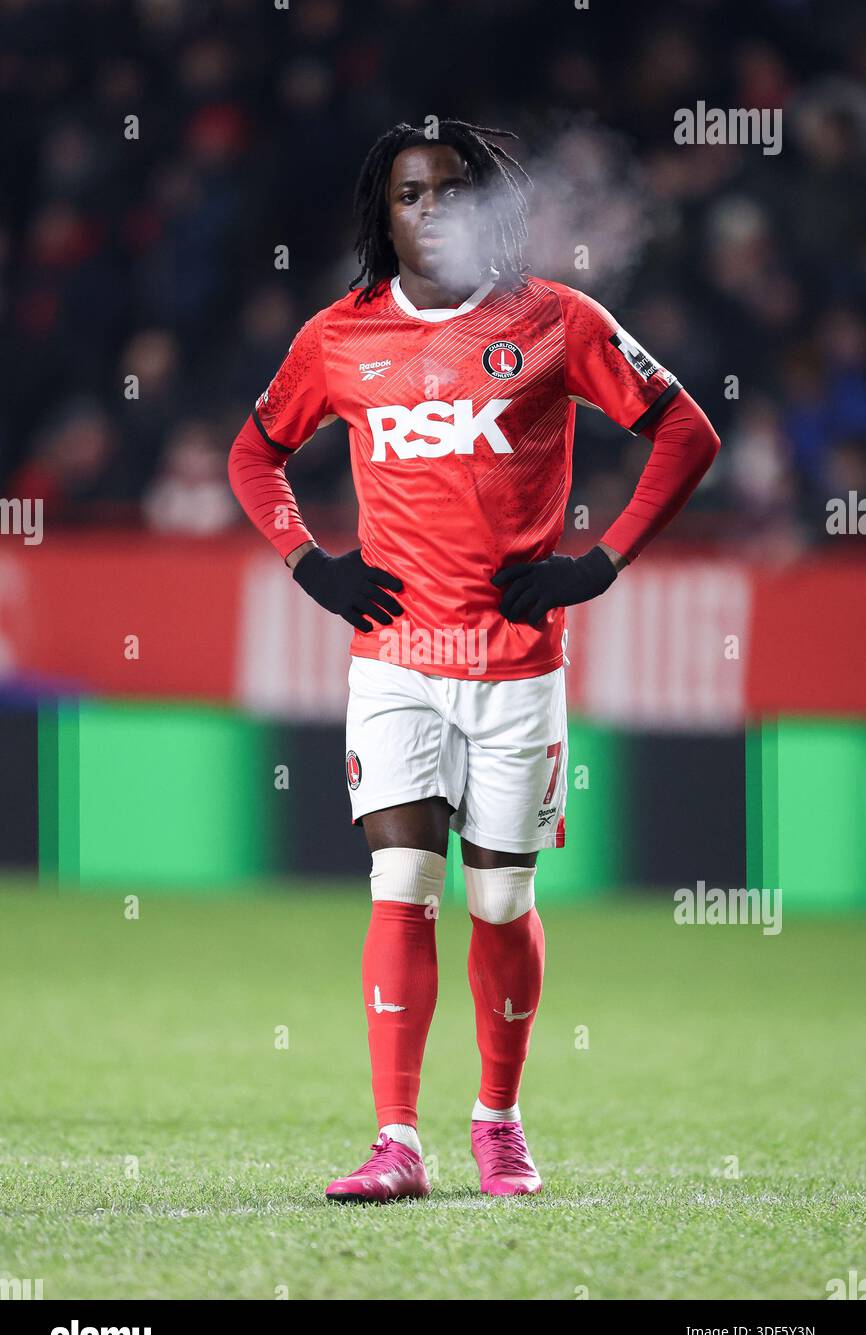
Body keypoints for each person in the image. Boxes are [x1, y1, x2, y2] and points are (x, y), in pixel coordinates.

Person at [228, 120, 720, 1202]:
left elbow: (684, 430)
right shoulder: (337, 336)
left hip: (514, 663)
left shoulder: (553, 320)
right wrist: (311, 565)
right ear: (384, 213)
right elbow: (253, 450)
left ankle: (495, 1118)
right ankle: (394, 1141)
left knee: (497, 904)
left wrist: (598, 565)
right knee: (400, 878)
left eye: (455, 191)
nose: (433, 210)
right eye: (411, 194)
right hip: (395, 657)